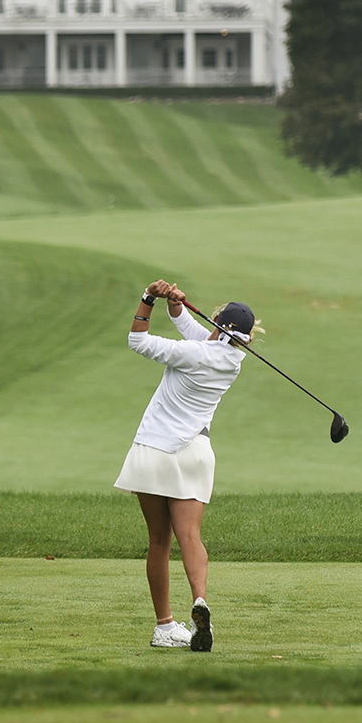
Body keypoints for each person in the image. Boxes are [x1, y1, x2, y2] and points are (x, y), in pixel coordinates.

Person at [113, 279, 256, 652]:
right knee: (190, 536)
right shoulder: (233, 359)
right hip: (195, 453)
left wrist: (148, 299)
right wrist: (175, 307)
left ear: (218, 325)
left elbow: (137, 340)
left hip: (153, 452)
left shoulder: (193, 353)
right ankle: (200, 601)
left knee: (159, 541)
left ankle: (164, 626)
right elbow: (202, 337)